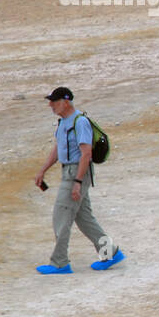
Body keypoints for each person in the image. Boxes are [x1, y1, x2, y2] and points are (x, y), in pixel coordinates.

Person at [32, 86, 125, 274]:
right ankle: (110, 253)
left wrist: (78, 182)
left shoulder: (80, 122)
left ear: (66, 102)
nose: (50, 105)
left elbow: (86, 154)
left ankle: (60, 263)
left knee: (61, 216)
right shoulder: (64, 122)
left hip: (76, 174)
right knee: (84, 219)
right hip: (70, 172)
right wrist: (43, 170)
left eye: (54, 101)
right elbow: (58, 149)